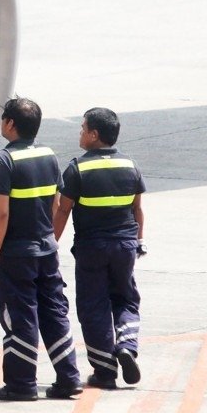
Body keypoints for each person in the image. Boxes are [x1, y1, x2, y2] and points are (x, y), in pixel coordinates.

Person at [0, 97, 81, 401]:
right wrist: (49, 239)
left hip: (17, 252)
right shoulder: (49, 155)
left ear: (11, 124)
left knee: (20, 315)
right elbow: (55, 204)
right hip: (46, 248)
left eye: (4, 117)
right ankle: (69, 377)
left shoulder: (4, 160)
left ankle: (22, 384)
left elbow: (1, 212)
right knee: (54, 311)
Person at [53, 107, 145, 390]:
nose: (80, 133)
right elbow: (138, 210)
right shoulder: (130, 166)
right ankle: (127, 344)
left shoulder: (77, 168)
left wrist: (50, 243)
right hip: (125, 245)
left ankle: (105, 370)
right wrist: (139, 241)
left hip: (91, 247)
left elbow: (63, 211)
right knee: (126, 299)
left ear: (94, 135)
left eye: (83, 129)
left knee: (93, 307)